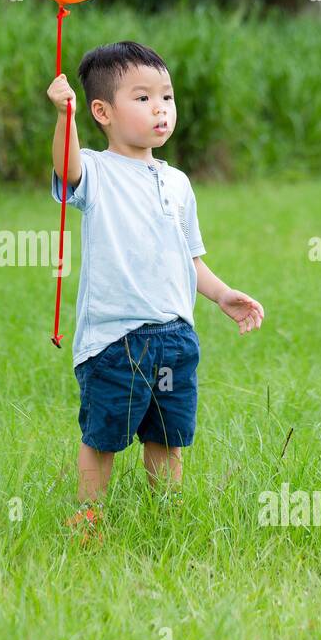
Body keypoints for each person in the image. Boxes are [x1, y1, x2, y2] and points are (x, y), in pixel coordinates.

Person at [48, 41, 265, 539]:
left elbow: (190, 257)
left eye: (166, 96)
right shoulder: (97, 171)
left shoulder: (179, 183)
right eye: (142, 98)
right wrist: (64, 116)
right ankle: (89, 516)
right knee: (103, 435)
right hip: (116, 339)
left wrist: (222, 294)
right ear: (102, 112)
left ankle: (166, 516)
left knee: (168, 434)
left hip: (175, 336)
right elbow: (66, 167)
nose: (160, 109)